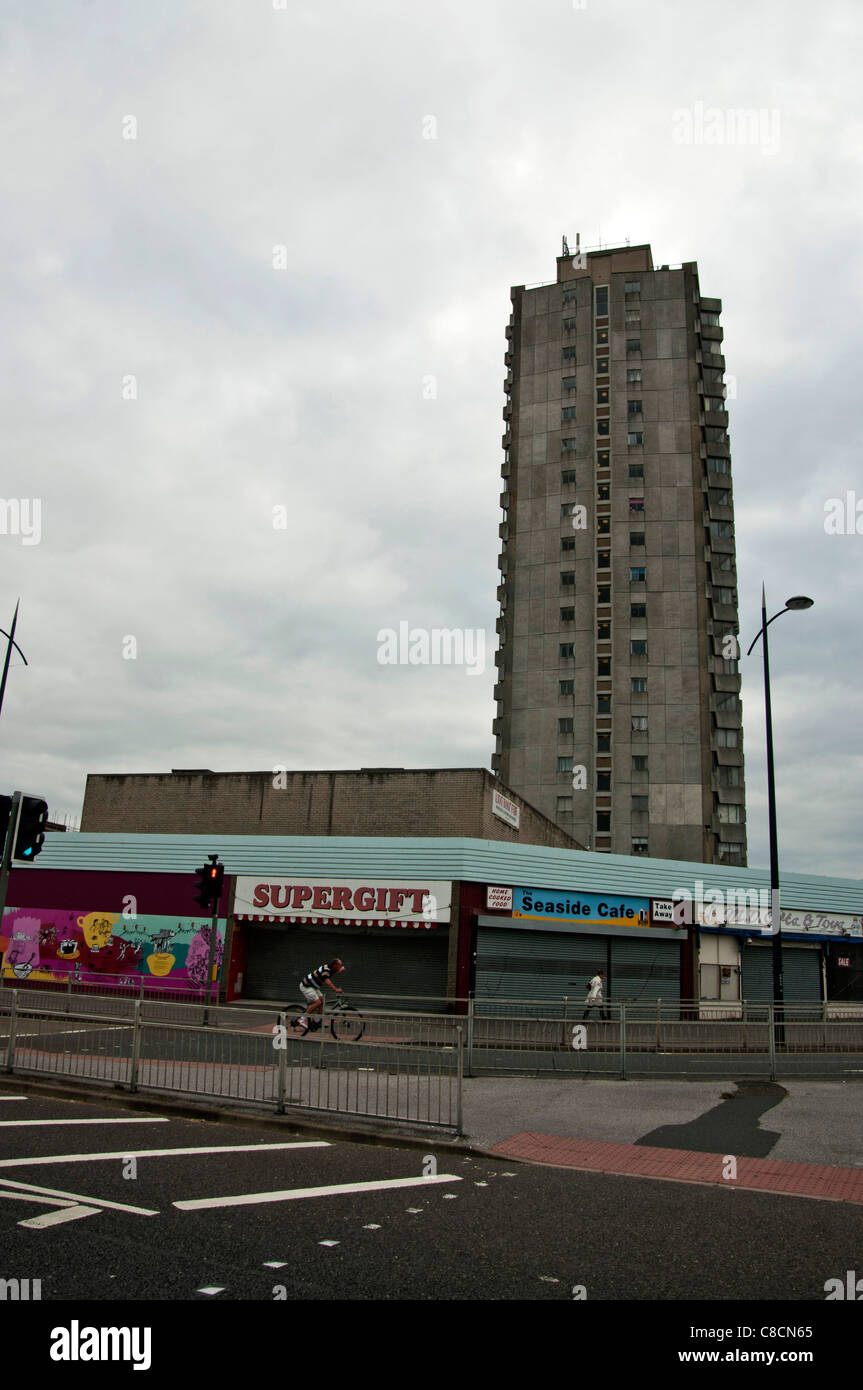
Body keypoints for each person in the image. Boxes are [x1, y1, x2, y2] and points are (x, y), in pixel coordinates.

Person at [290, 959, 345, 1034]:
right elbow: (328, 982)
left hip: (313, 986)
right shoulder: (326, 970)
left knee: (322, 1001)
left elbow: (333, 972)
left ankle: (317, 1021)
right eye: (340, 965)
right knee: (318, 1002)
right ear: (335, 965)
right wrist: (336, 989)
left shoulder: (330, 968)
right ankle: (301, 1019)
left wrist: (340, 970)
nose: (341, 966)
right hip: (306, 986)